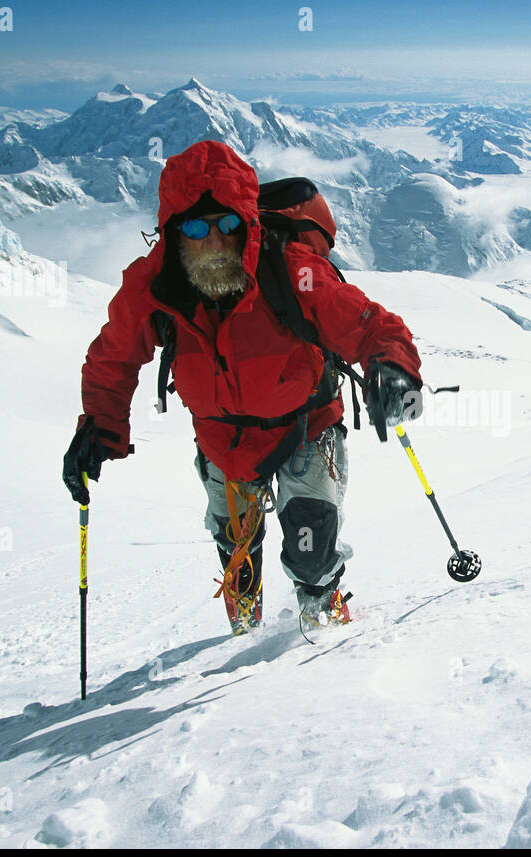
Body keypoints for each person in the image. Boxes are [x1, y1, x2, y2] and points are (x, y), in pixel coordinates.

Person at [63, 140, 422, 635]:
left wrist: (392, 365)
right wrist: (98, 430)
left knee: (311, 551)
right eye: (195, 227)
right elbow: (114, 358)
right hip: (222, 443)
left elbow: (366, 322)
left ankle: (327, 632)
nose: (213, 241)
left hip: (305, 427)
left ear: (246, 224)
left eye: (226, 224)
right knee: (237, 557)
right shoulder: (153, 286)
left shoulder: (290, 268)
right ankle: (245, 639)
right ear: (172, 232)